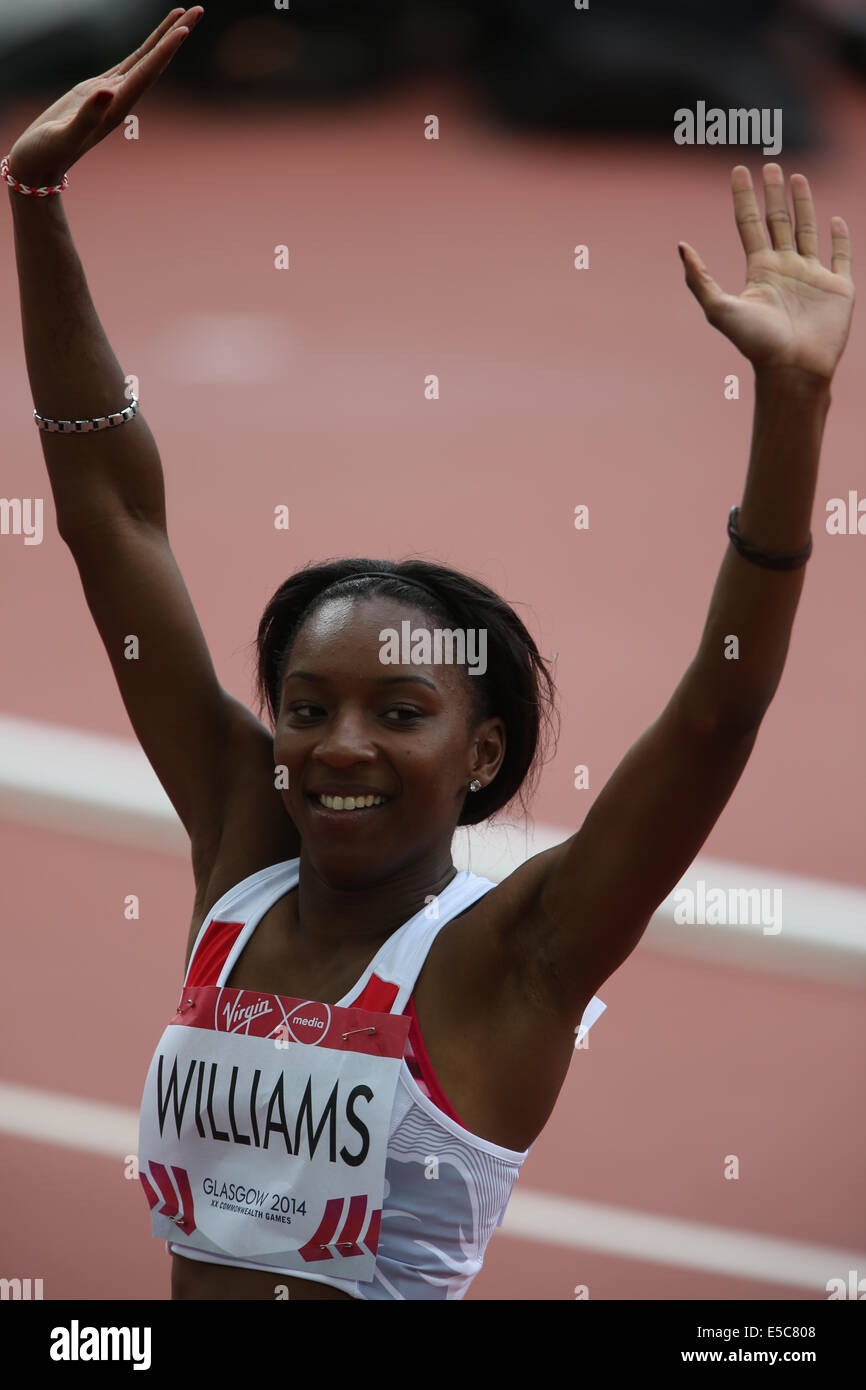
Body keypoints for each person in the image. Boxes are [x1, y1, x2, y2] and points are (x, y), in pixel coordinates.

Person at [5, 6, 854, 1301]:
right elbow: (113, 520)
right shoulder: (244, 850)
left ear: (485, 749)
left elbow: (714, 714)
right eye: (305, 704)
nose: (336, 743)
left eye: (398, 710)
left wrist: (791, 406)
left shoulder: (520, 950)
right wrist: (35, 196)